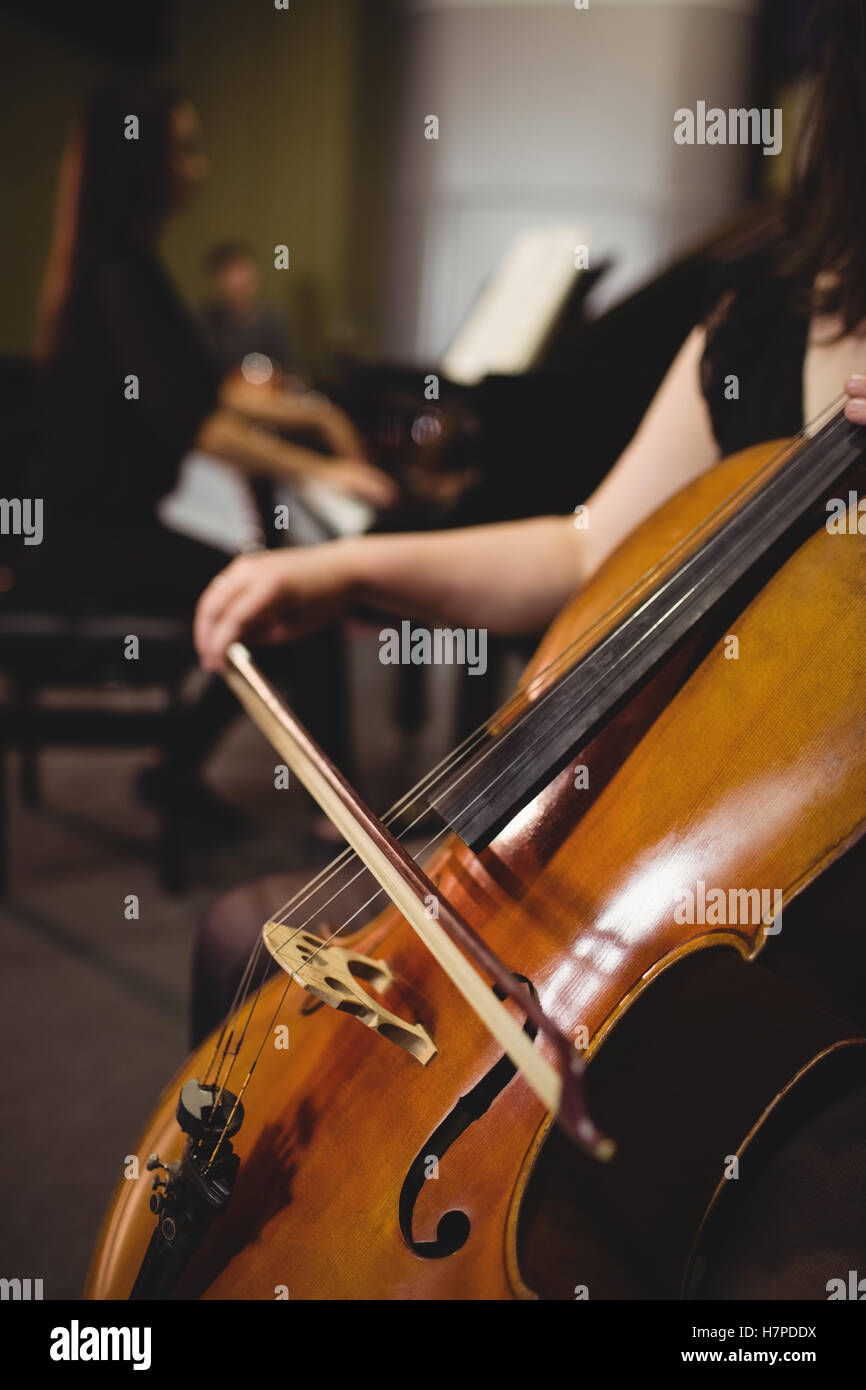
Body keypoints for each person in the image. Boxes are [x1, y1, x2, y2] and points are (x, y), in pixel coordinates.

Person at [190, 0, 866, 1296]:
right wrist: (345, 572)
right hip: (639, 883)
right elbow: (586, 552)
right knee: (244, 939)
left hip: (818, 967)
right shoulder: (763, 329)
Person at [26, 80, 394, 830]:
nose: (200, 165)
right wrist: (325, 467)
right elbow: (199, 425)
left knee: (284, 598)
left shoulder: (131, 267)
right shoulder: (121, 277)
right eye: (186, 147)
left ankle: (182, 767)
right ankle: (331, 814)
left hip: (106, 532)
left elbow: (206, 392)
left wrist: (315, 414)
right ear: (144, 161)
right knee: (289, 596)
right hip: (84, 550)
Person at [200, 241, 294, 378]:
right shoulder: (205, 322)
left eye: (241, 270)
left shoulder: (274, 321)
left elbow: (289, 370)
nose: (235, 281)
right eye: (227, 273)